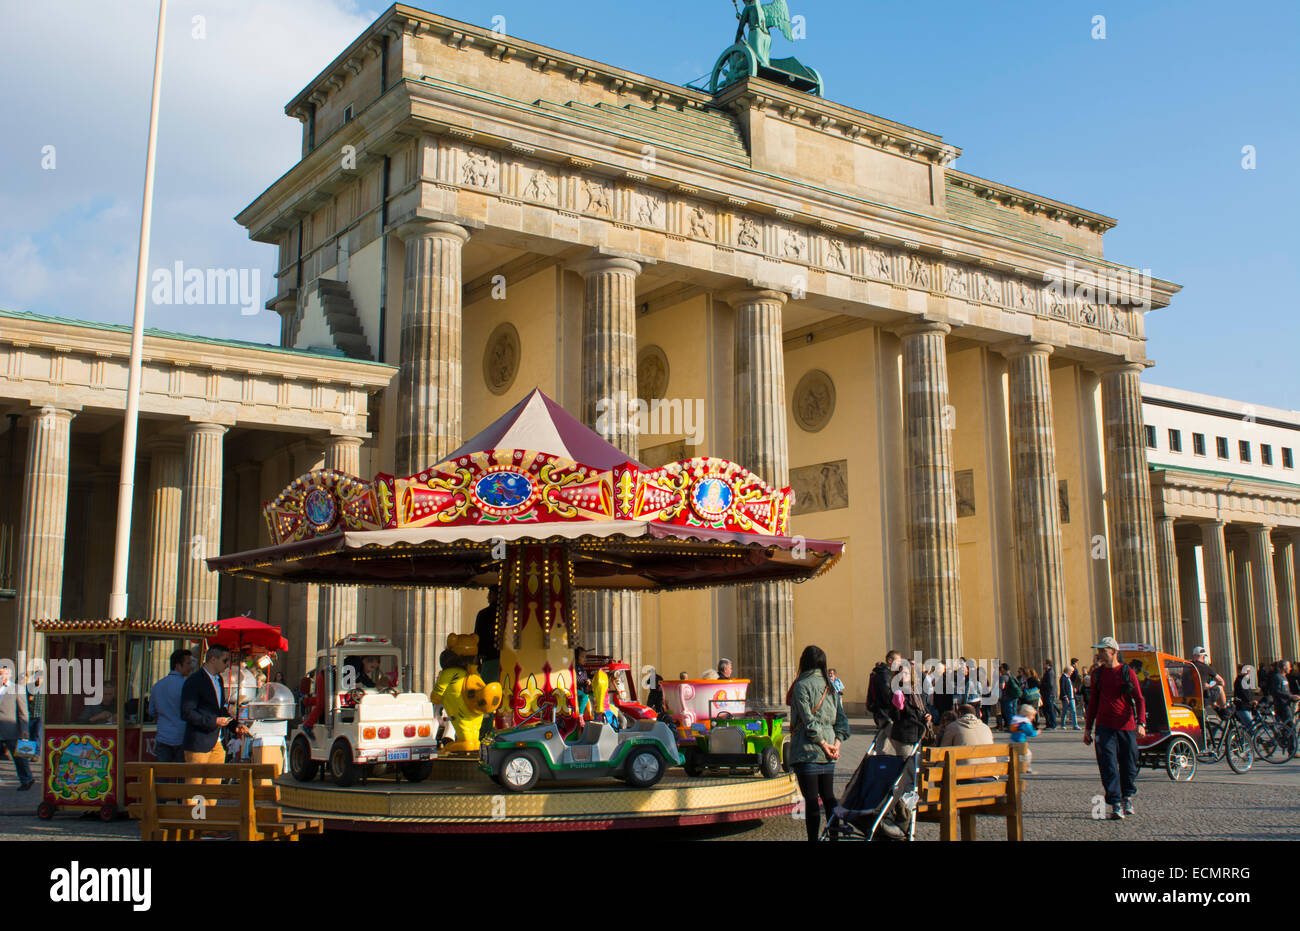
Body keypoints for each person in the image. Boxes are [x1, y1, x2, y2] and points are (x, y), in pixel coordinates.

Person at [787, 645, 850, 842]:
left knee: (812, 800)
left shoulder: (801, 685)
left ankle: (813, 839)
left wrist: (823, 744)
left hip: (808, 750)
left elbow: (807, 720)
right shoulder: (831, 685)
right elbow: (842, 720)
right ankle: (834, 837)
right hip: (830, 750)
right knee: (829, 797)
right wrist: (836, 744)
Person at [1083, 637, 1146, 821]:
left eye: (1103, 650)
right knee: (1108, 765)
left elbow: (1140, 699)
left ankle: (1127, 796)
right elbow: (1093, 702)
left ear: (1113, 651)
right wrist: (1088, 728)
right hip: (1104, 727)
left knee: (1129, 764)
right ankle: (1115, 803)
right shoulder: (1098, 675)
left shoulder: (1127, 672)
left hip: (1126, 726)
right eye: (1099, 650)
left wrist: (1141, 722)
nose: (1100, 653)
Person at [181, 645, 237, 784]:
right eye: (225, 660)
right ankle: (195, 807)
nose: (227, 664)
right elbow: (187, 712)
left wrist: (235, 725)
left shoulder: (219, 680)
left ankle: (209, 807)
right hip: (199, 742)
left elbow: (220, 709)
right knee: (194, 789)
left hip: (218, 741)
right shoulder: (194, 681)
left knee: (213, 789)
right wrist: (213, 721)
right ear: (213, 659)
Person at [148, 649, 195, 764]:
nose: (192, 667)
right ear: (178, 665)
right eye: (188, 663)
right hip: (182, 736)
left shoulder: (157, 685)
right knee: (180, 776)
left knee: (162, 775)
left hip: (163, 736)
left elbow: (152, 711)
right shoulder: (186, 686)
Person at [0, 665, 33, 791]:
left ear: (9, 675)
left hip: (11, 729)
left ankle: (27, 779)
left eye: (3, 674)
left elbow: (23, 711)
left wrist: (25, 730)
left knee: (19, 758)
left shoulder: (17, 689)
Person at [472, 586, 502, 684]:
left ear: (494, 595)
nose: (487, 597)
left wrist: (476, 661)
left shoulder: (483, 614)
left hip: (489, 659)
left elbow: (477, 638)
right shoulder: (508, 613)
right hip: (506, 658)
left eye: (490, 594)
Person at [1189, 646, 1227, 718]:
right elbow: (1221, 681)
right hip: (1202, 697)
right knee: (1219, 688)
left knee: (1209, 692)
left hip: (1189, 697)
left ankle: (1216, 707)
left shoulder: (1188, 666)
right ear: (1203, 656)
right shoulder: (1205, 667)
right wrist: (1213, 684)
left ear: (1194, 656)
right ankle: (1224, 710)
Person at [867, 650, 899, 730]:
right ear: (890, 660)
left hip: (881, 711)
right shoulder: (885, 675)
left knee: (882, 738)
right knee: (889, 737)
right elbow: (887, 695)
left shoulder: (880, 672)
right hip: (885, 712)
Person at [1009, 703, 1039, 773]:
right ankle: (1026, 768)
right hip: (1021, 742)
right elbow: (1030, 733)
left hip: (1013, 740)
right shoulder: (1025, 723)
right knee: (1027, 754)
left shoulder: (1016, 720)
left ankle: (1007, 767)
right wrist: (1037, 732)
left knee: (1011, 754)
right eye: (1032, 715)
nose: (1033, 717)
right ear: (1028, 715)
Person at [1268, 661, 1296, 725]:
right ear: (1284, 667)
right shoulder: (1277, 677)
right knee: (1290, 727)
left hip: (1286, 704)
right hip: (1281, 705)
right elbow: (1276, 691)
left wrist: (1292, 696)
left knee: (1288, 728)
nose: (1290, 668)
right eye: (1289, 667)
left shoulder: (1284, 677)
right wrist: (1290, 696)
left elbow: (1285, 691)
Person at [24, 669, 44, 749]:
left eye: (40, 677)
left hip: (40, 715)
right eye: (37, 677)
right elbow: (25, 700)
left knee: (37, 735)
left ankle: (37, 753)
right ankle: (28, 752)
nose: (38, 679)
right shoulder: (29, 687)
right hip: (30, 714)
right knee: (29, 734)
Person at [1059, 661, 1079, 730]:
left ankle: (1075, 725)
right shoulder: (1063, 678)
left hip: (1071, 697)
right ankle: (1062, 724)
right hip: (1067, 697)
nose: (1072, 673)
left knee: (1073, 711)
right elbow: (1062, 688)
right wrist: (1065, 696)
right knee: (1064, 711)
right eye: (1071, 671)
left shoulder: (1068, 677)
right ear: (1068, 671)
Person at [1040, 660, 1057, 729]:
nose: (1043, 666)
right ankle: (1049, 723)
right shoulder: (1048, 672)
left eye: (1044, 664)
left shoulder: (1050, 673)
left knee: (1050, 709)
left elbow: (1050, 684)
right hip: (1047, 693)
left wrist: (1041, 683)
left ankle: (1052, 724)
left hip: (1049, 693)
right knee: (1046, 709)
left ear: (1048, 665)